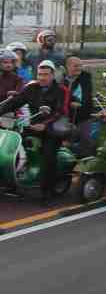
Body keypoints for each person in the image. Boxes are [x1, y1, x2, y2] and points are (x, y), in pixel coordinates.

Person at [0, 60, 70, 204]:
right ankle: (11, 180)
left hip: (53, 128)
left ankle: (47, 193)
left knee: (48, 156)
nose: (42, 77)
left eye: (46, 74)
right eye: (39, 74)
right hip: (33, 125)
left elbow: (60, 111)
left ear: (53, 75)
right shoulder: (31, 88)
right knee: (10, 145)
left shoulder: (61, 90)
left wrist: (45, 125)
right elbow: (16, 101)